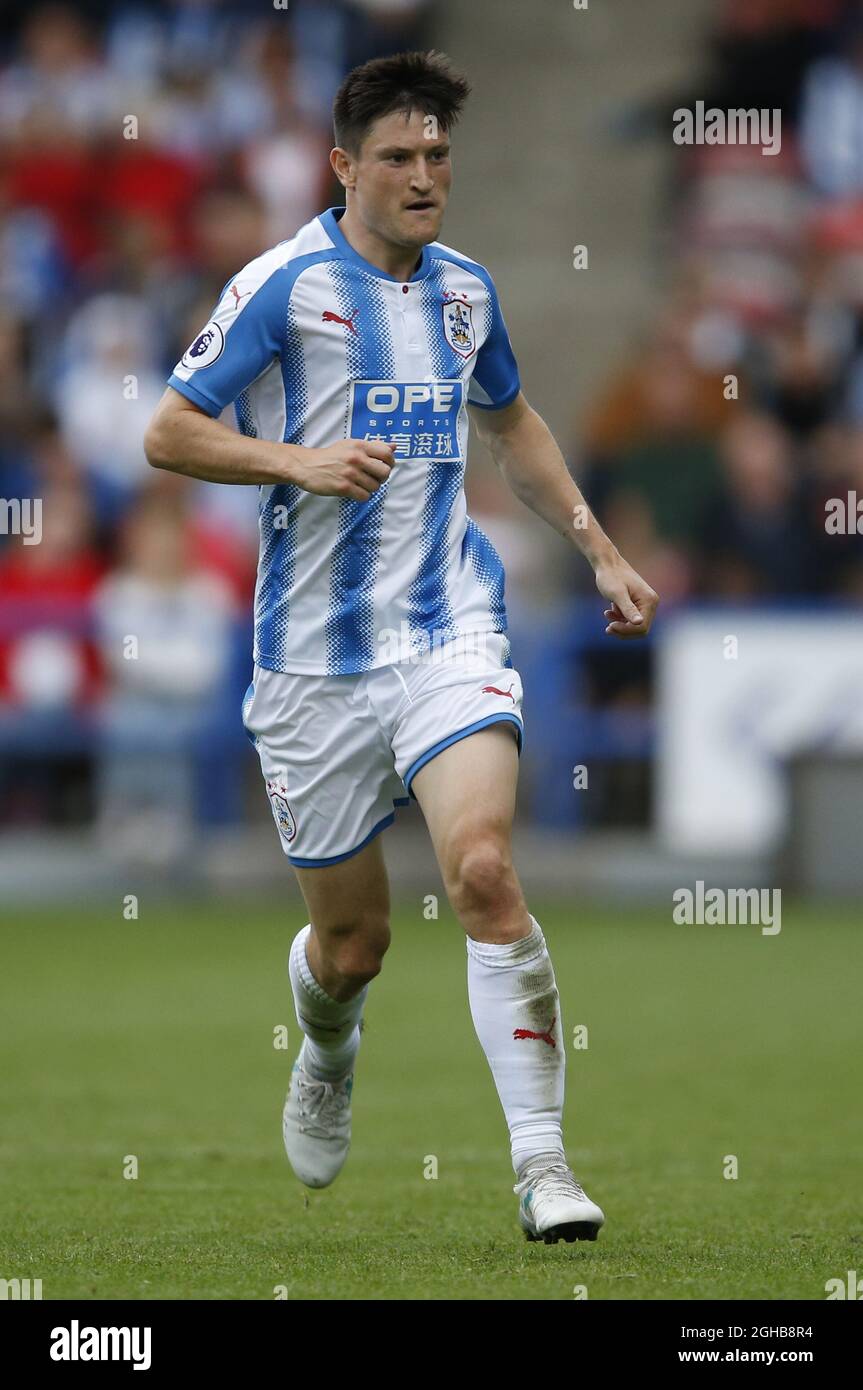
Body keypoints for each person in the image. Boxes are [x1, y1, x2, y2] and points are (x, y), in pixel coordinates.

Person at [144, 49, 659, 1244]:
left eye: (437, 155)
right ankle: (325, 1044)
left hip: (446, 629)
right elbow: (170, 431)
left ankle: (542, 1169)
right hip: (309, 667)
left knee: (481, 869)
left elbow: (513, 420)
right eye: (397, 157)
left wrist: (597, 546)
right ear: (342, 167)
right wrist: (295, 461)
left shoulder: (467, 291)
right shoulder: (282, 286)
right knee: (353, 943)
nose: (424, 176)